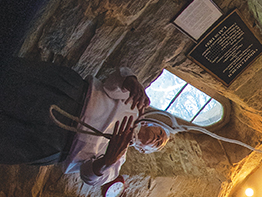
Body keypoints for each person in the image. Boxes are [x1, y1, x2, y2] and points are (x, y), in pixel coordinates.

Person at [0, 57, 169, 185]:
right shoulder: (133, 105)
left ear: (143, 150)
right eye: (161, 133)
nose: (159, 139)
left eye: (158, 145)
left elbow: (88, 176)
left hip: (53, 143)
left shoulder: (117, 162)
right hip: (68, 95)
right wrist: (130, 81)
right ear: (149, 123)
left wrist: (106, 161)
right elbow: (112, 81)